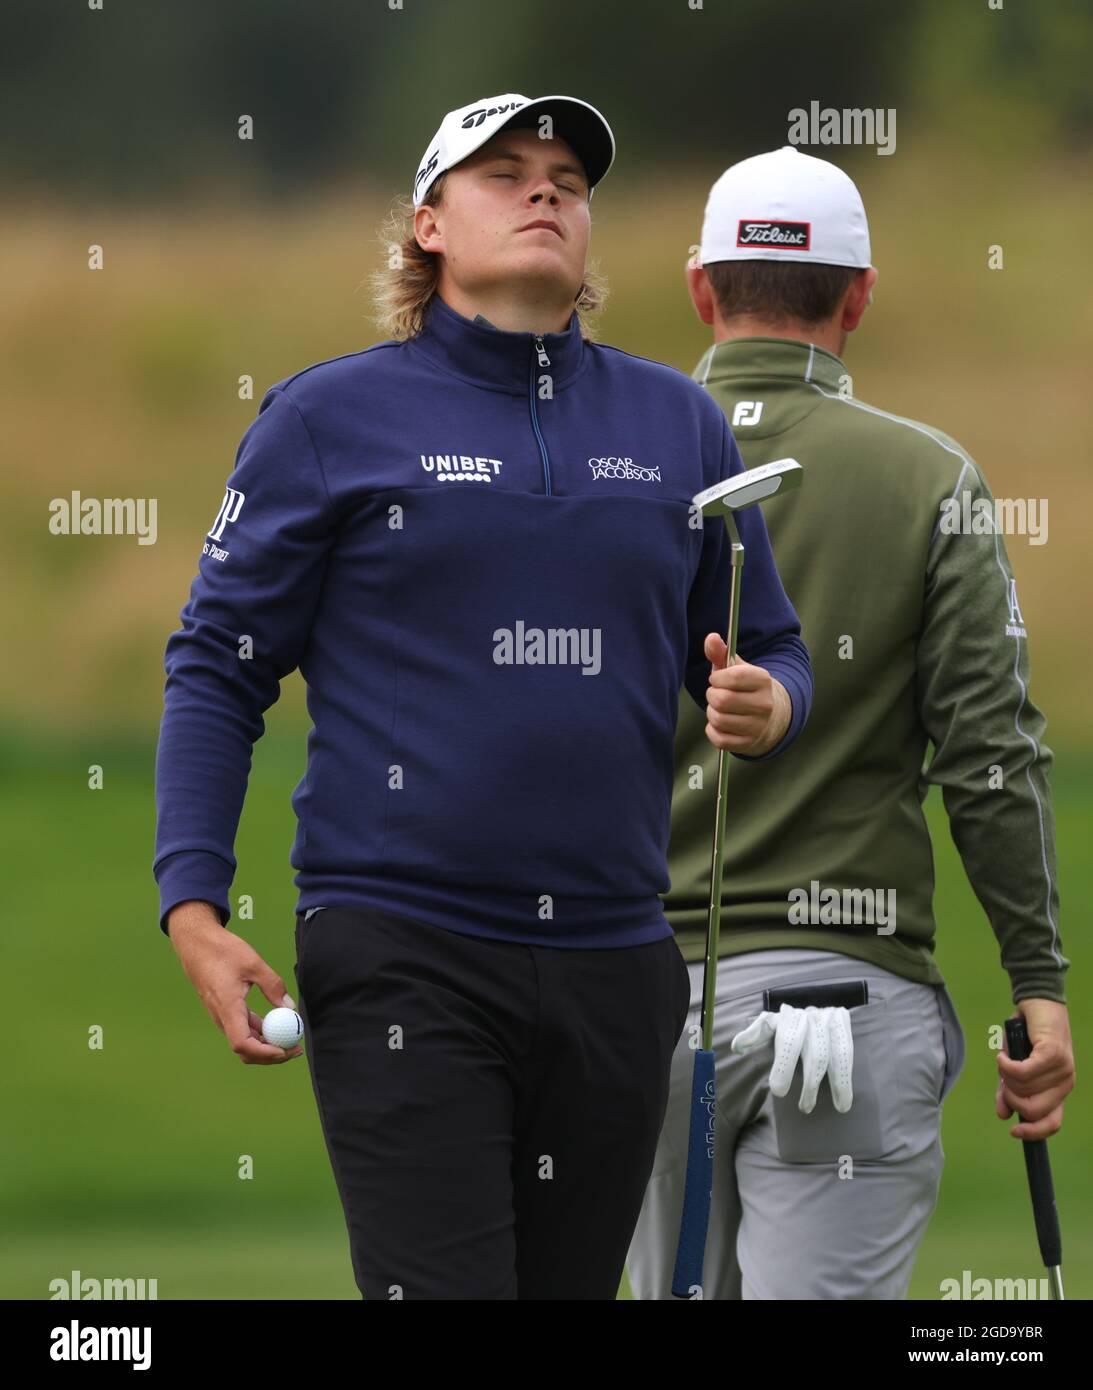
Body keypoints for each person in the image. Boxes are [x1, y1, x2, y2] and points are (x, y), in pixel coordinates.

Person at [152, 97, 812, 1300]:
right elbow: (218, 661)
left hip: (618, 957)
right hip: (404, 945)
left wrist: (772, 704)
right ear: (428, 226)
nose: (545, 191)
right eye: (504, 172)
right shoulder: (326, 417)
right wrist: (191, 902)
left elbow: (770, 644)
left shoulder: (679, 424)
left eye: (565, 176)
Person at [627, 145, 1075, 1300]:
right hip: (850, 997)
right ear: (858, 296)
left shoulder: (612, 470)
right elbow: (988, 756)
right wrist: (1037, 985)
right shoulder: (931, 479)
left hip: (636, 1008)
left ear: (699, 287)